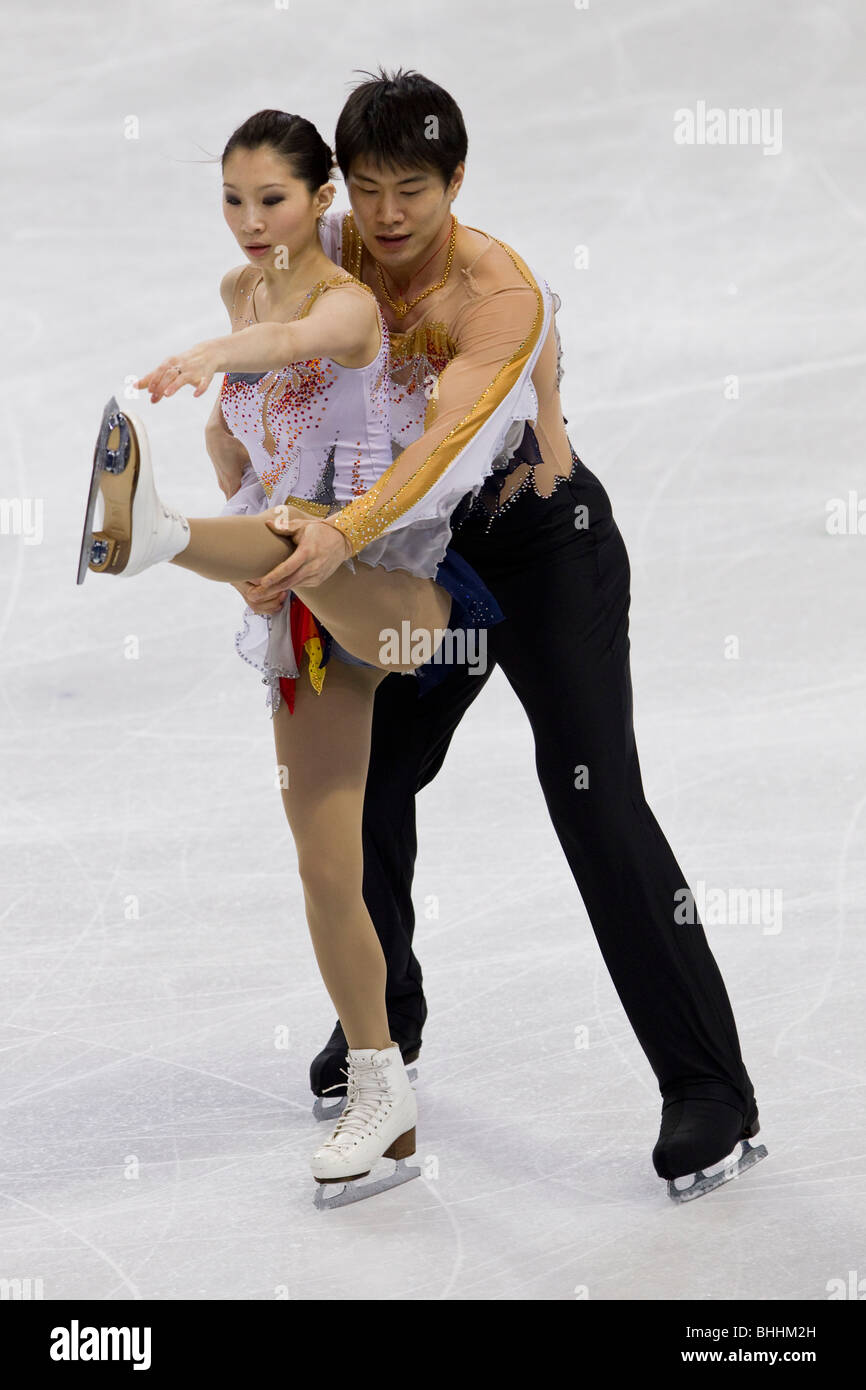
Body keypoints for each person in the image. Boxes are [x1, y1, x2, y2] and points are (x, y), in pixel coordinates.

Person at [224, 70, 766, 1202]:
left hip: (544, 546)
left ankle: (708, 1088)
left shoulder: (495, 286)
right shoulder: (326, 246)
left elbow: (444, 434)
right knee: (369, 777)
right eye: (364, 189)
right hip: (427, 562)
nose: (384, 216)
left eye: (410, 190)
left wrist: (346, 532)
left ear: (455, 180)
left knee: (590, 790)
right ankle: (386, 1014)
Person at [78, 109, 507, 1201]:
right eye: (232, 200)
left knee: (306, 543)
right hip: (298, 601)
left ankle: (155, 538)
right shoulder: (240, 292)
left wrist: (227, 356)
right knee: (327, 867)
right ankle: (383, 1092)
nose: (250, 222)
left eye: (272, 199)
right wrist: (227, 428)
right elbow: (251, 431)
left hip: (409, 592)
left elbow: (293, 347)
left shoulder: (345, 299)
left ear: (320, 199)